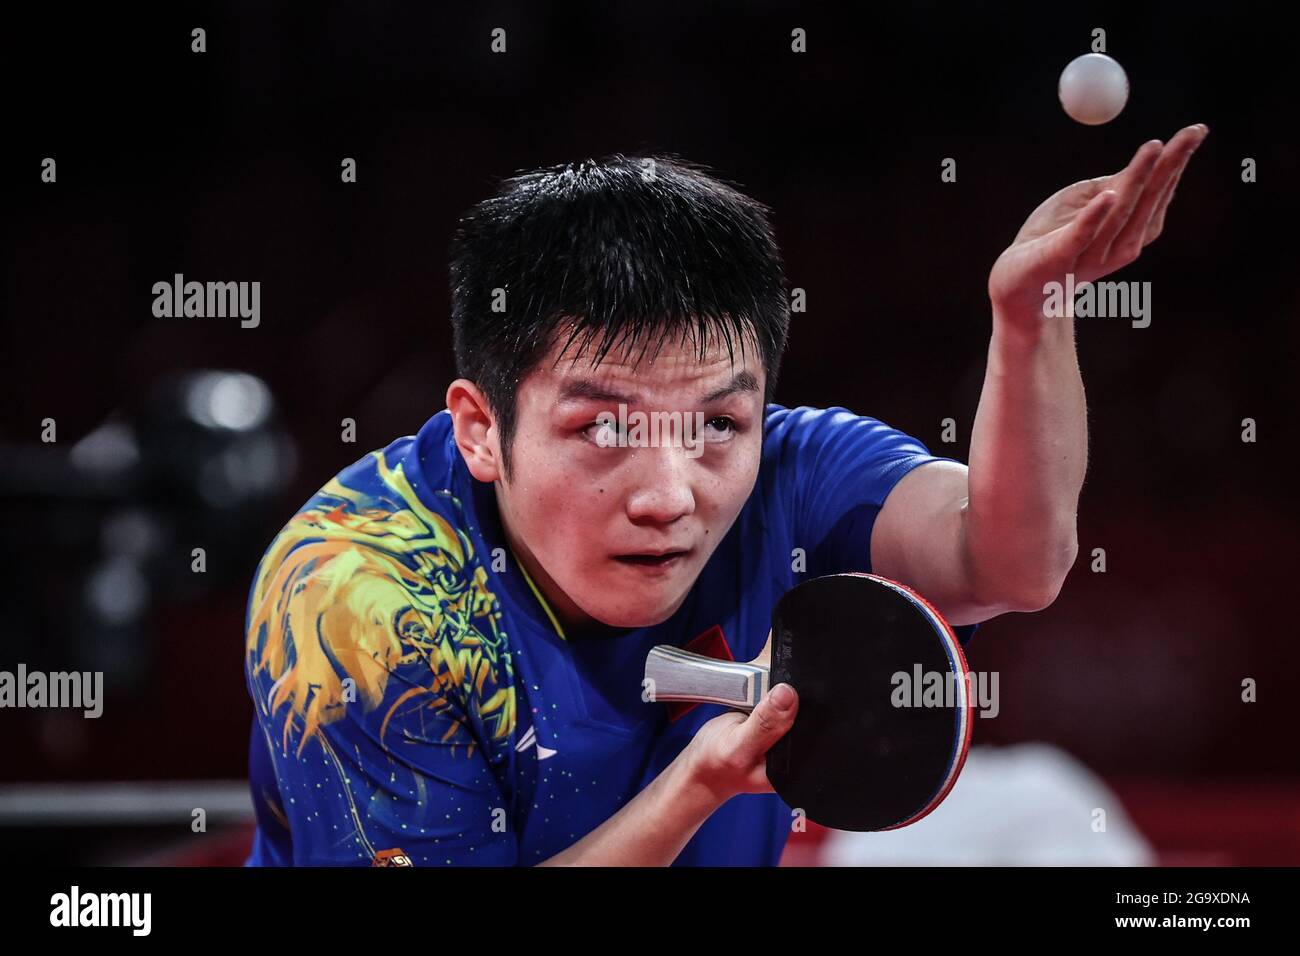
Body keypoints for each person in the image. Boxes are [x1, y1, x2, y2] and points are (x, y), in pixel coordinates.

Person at [244, 132, 1206, 866]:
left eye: (716, 425)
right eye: (605, 429)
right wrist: (696, 789)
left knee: (1040, 808)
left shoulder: (793, 468)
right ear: (480, 429)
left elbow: (1009, 563)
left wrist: (1031, 320)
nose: (670, 496)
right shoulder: (358, 601)